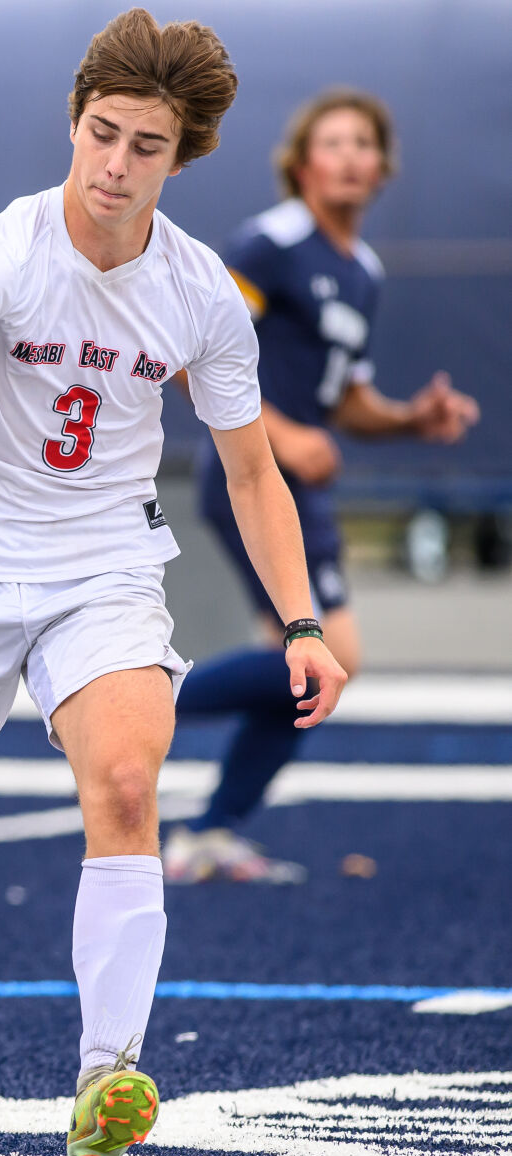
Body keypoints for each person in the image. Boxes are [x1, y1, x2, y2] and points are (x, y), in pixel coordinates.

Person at [0, 9, 347, 1156]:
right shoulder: (8, 249)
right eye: (102, 133)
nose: (114, 165)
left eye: (146, 146)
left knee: (128, 779)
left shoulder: (200, 293)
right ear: (74, 121)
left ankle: (111, 1070)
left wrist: (303, 620)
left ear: (181, 155)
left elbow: (253, 471)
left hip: (101, 568)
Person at [164, 88, 480, 884]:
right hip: (250, 476)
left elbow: (346, 401)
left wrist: (411, 419)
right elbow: (186, 356)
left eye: (361, 144)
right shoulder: (270, 244)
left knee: (306, 667)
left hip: (296, 489)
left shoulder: (361, 271)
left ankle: (208, 830)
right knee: (329, 654)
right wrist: (281, 431)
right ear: (301, 164)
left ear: (380, 167)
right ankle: (127, 697)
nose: (346, 156)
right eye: (330, 143)